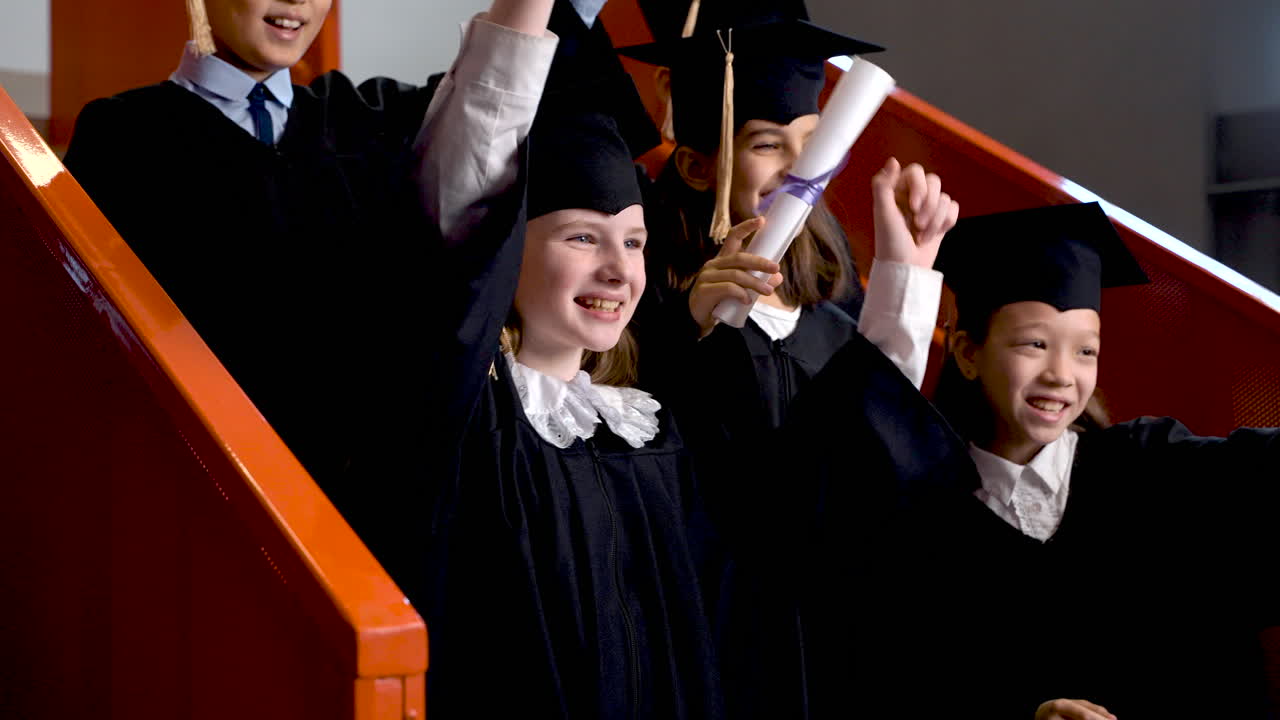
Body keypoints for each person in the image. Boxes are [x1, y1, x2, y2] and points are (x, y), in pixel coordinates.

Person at [355, 5, 969, 716]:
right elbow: (468, 194)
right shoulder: (472, 414)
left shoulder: (652, 431)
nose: (618, 268)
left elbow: (814, 507)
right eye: (583, 238)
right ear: (507, 251)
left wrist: (905, 273)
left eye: (635, 242)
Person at [62, 0, 558, 490]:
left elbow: (495, 93)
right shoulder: (125, 134)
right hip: (200, 477)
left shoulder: (366, 121)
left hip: (366, 490)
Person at [881, 202, 1279, 719]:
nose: (1061, 375)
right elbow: (913, 685)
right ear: (966, 352)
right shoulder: (925, 517)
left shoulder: (1150, 467)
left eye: (1085, 351)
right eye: (1035, 344)